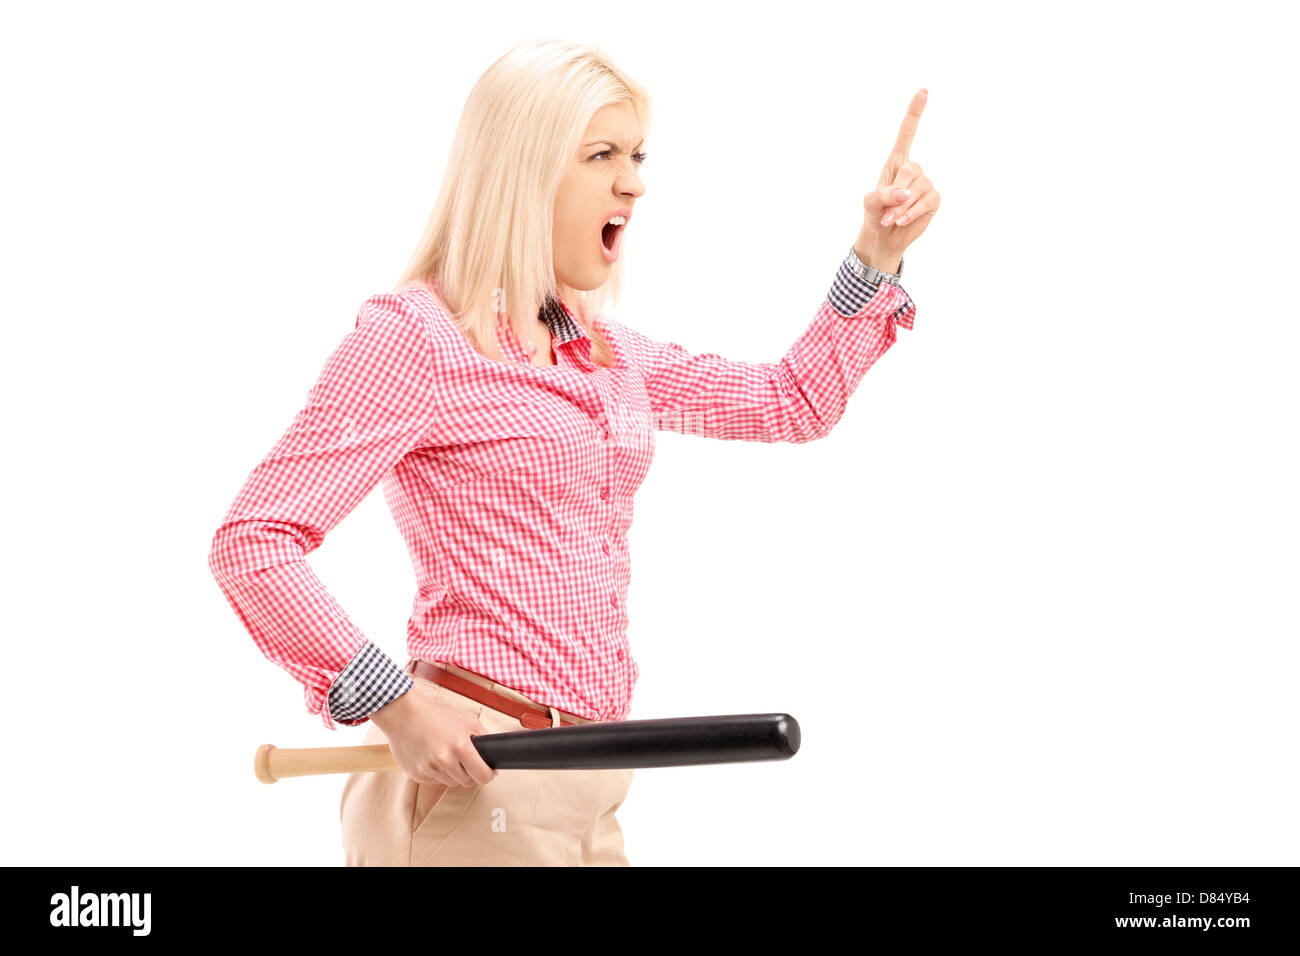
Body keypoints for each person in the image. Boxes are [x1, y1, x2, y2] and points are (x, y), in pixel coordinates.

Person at [207, 36, 938, 867]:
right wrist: (397, 702)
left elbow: (791, 402)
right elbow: (254, 542)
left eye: (636, 155)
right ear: (523, 172)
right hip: (481, 778)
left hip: (595, 774)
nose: (634, 180)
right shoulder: (416, 338)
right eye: (602, 155)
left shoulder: (602, 354)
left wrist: (876, 256)